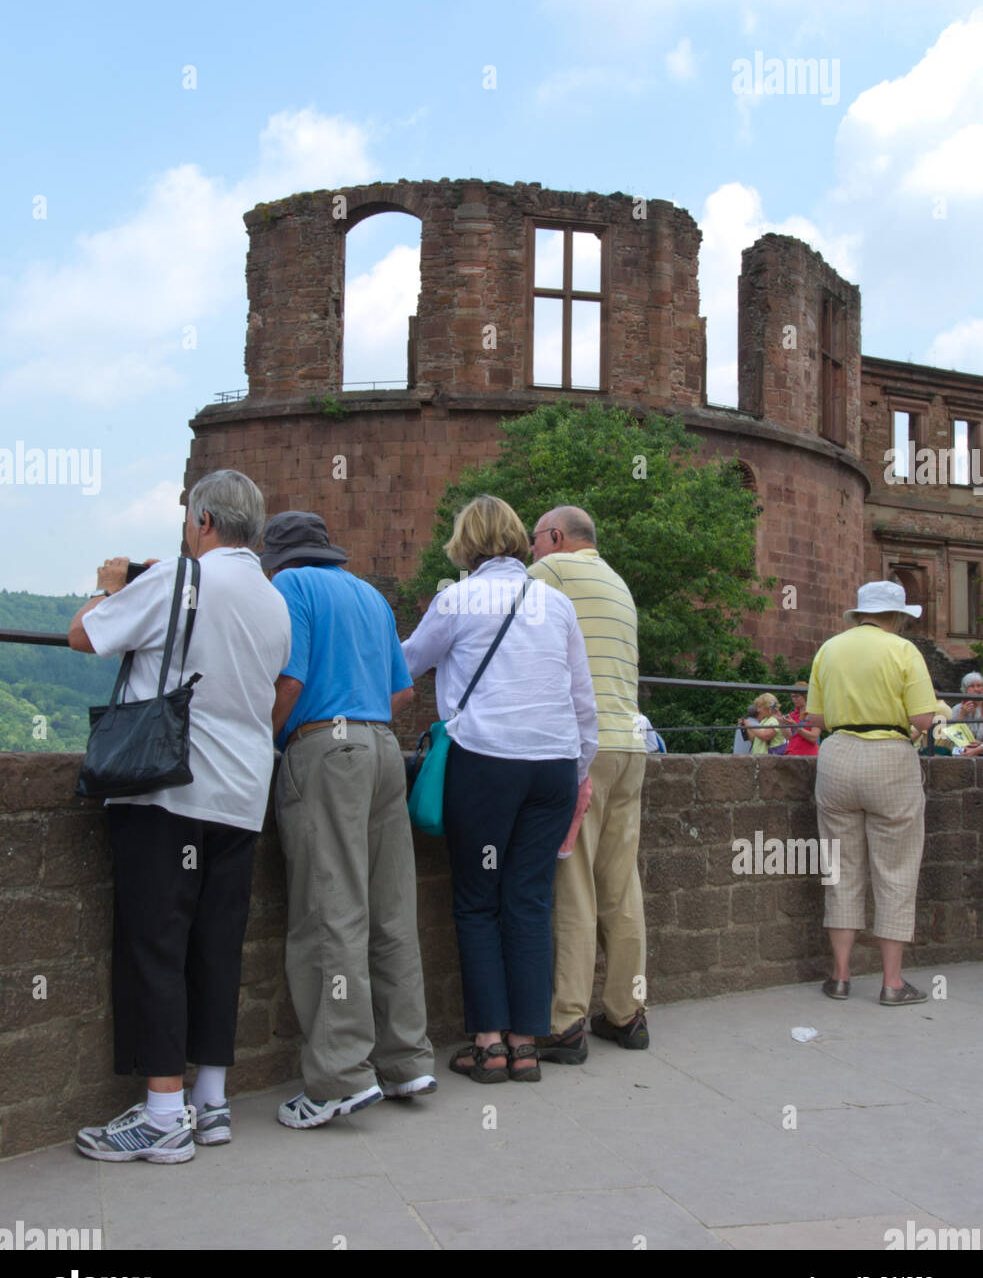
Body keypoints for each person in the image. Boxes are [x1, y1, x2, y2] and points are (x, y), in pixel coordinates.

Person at [69, 470, 292, 1163]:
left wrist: (111, 586)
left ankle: (163, 1114)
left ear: (202, 522)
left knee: (155, 941)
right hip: (241, 794)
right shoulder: (274, 600)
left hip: (170, 788)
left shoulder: (179, 579)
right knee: (214, 946)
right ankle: (211, 1101)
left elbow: (84, 636)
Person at [402, 495, 596, 1083]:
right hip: (553, 768)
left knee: (479, 901)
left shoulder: (455, 599)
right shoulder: (556, 604)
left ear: (466, 543)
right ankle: (526, 1043)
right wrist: (578, 771)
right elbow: (583, 703)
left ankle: (487, 1045)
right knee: (530, 901)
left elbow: (403, 665)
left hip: (487, 762)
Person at [263, 512, 435, 1126]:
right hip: (383, 746)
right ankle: (406, 1059)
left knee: (328, 907)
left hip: (326, 750)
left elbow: (290, 678)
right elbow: (402, 693)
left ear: (278, 557)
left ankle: (339, 1076)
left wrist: (267, 738)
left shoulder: (290, 588)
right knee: (391, 907)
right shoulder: (367, 594)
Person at [527, 505, 648, 1063]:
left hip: (588, 747)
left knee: (574, 882)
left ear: (555, 537)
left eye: (533, 541)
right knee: (620, 886)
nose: (529, 552)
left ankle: (567, 1021)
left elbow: (495, 597)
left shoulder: (553, 572)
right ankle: (626, 1013)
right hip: (631, 744)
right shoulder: (618, 581)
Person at [806, 580, 936, 1006]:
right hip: (889, 758)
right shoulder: (903, 651)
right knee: (896, 869)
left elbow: (817, 718)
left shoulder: (829, 649)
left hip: (838, 755)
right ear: (897, 617)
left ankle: (840, 976)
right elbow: (922, 718)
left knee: (840, 867)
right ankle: (892, 982)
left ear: (860, 613)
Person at [784, 684, 821, 756]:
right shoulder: (792, 715)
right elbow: (789, 737)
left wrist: (796, 726)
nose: (794, 699)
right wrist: (782, 723)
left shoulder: (814, 714)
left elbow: (814, 738)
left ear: (805, 696)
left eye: (796, 696)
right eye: (792, 696)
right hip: (791, 755)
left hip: (807, 757)